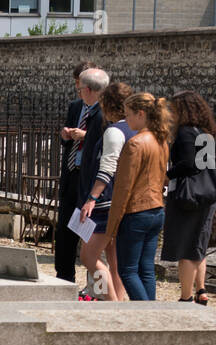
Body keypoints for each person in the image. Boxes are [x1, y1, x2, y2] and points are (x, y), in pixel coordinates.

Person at [106, 92, 172, 301]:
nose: (126, 120)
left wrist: (112, 226)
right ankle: (150, 318)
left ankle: (145, 313)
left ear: (140, 114)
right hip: (156, 209)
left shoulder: (135, 144)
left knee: (127, 270)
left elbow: (123, 188)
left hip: (136, 212)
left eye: (128, 115)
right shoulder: (161, 141)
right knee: (146, 269)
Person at [77, 80, 133, 302]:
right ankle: (118, 298)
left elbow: (107, 168)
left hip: (106, 200)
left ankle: (109, 300)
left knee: (89, 257)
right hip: (124, 200)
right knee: (114, 257)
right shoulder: (135, 129)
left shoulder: (114, 131)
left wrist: (92, 197)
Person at [163, 90, 216, 304]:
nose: (171, 113)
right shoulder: (206, 131)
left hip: (190, 195)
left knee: (186, 247)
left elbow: (189, 164)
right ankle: (201, 290)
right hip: (206, 192)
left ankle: (185, 297)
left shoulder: (186, 132)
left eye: (174, 108)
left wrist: (167, 175)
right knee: (198, 243)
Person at [55, 60, 99, 285]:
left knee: (96, 247)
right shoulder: (75, 107)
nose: (77, 89)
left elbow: (107, 147)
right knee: (64, 233)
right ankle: (64, 281)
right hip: (72, 174)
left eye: (80, 85)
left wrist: (87, 136)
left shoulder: (104, 112)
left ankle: (100, 291)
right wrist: (65, 135)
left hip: (93, 182)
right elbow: (67, 138)